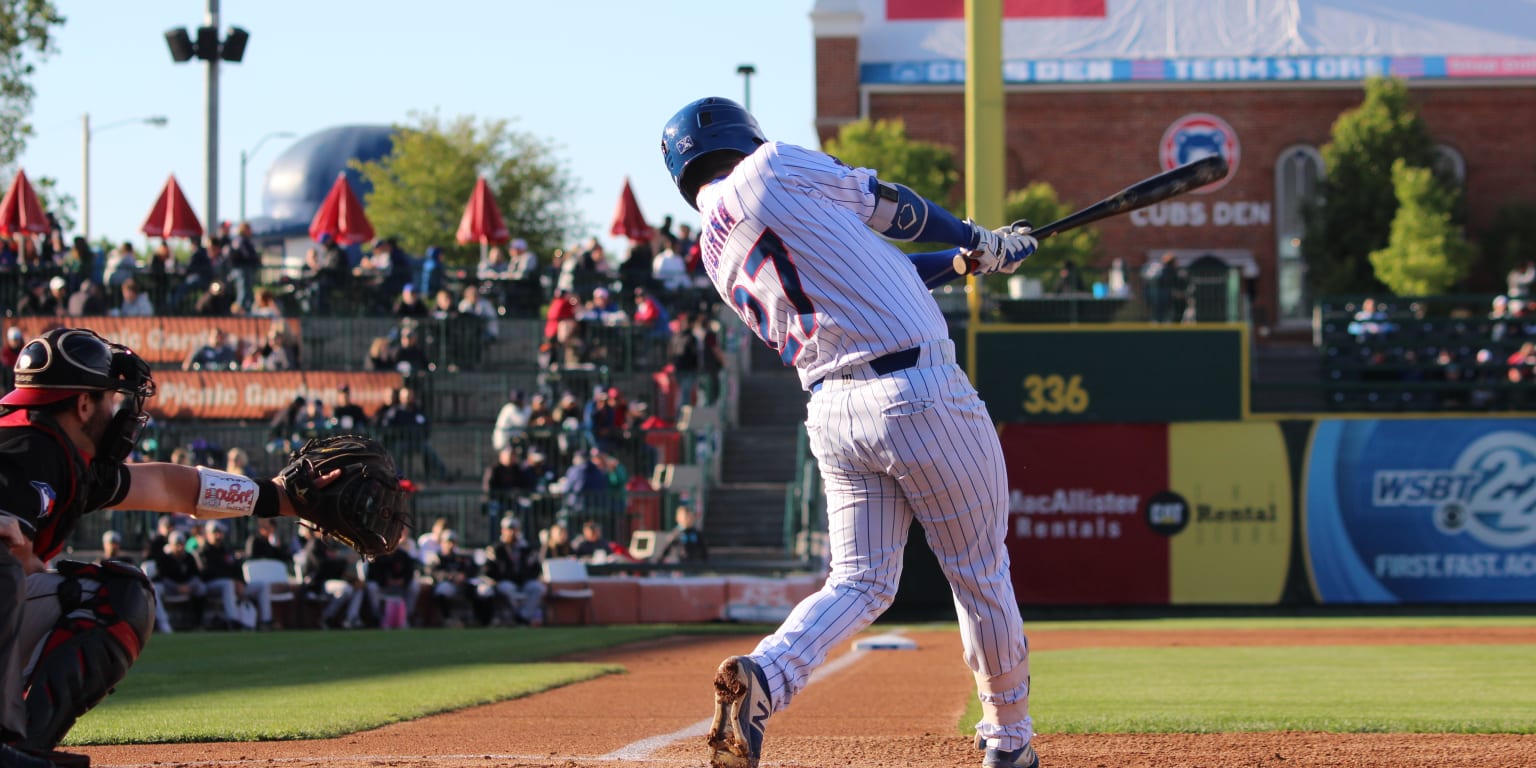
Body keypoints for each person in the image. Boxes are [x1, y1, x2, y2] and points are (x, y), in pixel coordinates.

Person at [660, 97, 1038, 768]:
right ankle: (1009, 742)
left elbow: (870, 272)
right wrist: (978, 237)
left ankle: (767, 676)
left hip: (833, 411)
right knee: (979, 571)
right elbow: (888, 205)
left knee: (860, 581)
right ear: (743, 137)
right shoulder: (771, 165)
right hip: (918, 393)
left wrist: (963, 261)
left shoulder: (713, 251)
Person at [0, 327, 332, 767]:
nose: (118, 410)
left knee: (117, 594)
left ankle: (22, 749)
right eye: (109, 398)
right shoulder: (28, 449)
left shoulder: (61, 453)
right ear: (83, 404)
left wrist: (280, 498)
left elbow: (170, 487)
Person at [481, 516, 545, 626]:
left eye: (514, 529)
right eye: (508, 529)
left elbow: (536, 567)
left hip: (523, 581)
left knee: (537, 587)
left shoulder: (525, 548)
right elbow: (488, 569)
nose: (511, 533)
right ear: (503, 530)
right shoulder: (496, 549)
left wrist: (526, 576)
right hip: (504, 581)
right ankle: (516, 616)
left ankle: (524, 616)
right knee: (508, 588)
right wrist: (498, 579)